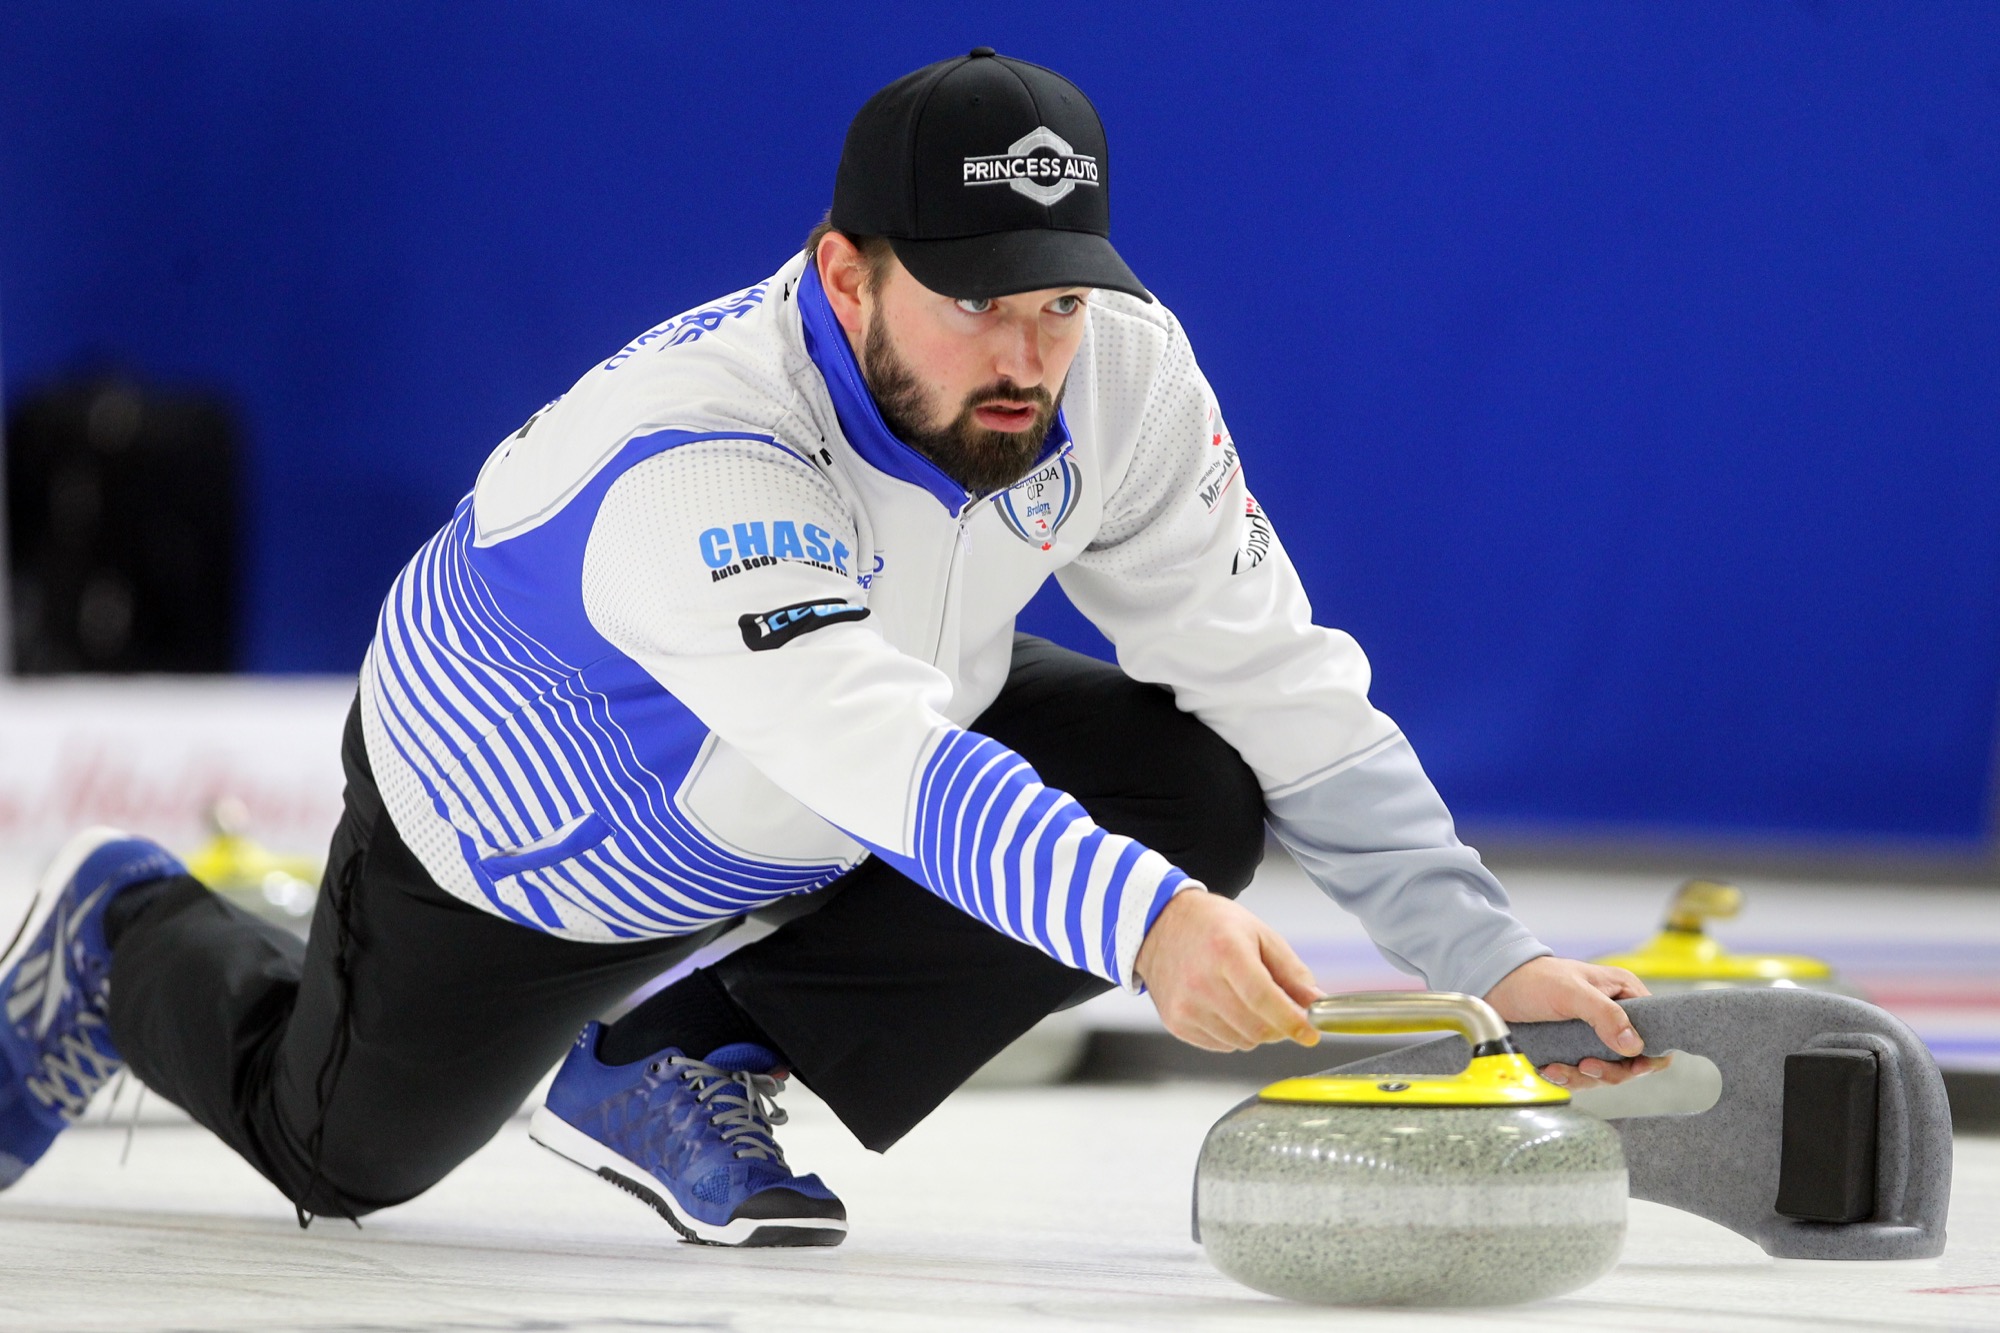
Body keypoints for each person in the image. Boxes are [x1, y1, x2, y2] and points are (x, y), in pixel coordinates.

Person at [0, 49, 1655, 1249]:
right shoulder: (701, 457)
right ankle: (117, 926)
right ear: (843, 273)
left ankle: (679, 1053)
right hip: (523, 846)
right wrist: (1150, 927)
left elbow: (1273, 670)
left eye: (1059, 300)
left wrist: (1490, 956)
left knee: (1195, 784)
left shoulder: (1118, 374)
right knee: (338, 1159)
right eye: (977, 302)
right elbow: (881, 758)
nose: (1028, 357)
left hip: (834, 771)